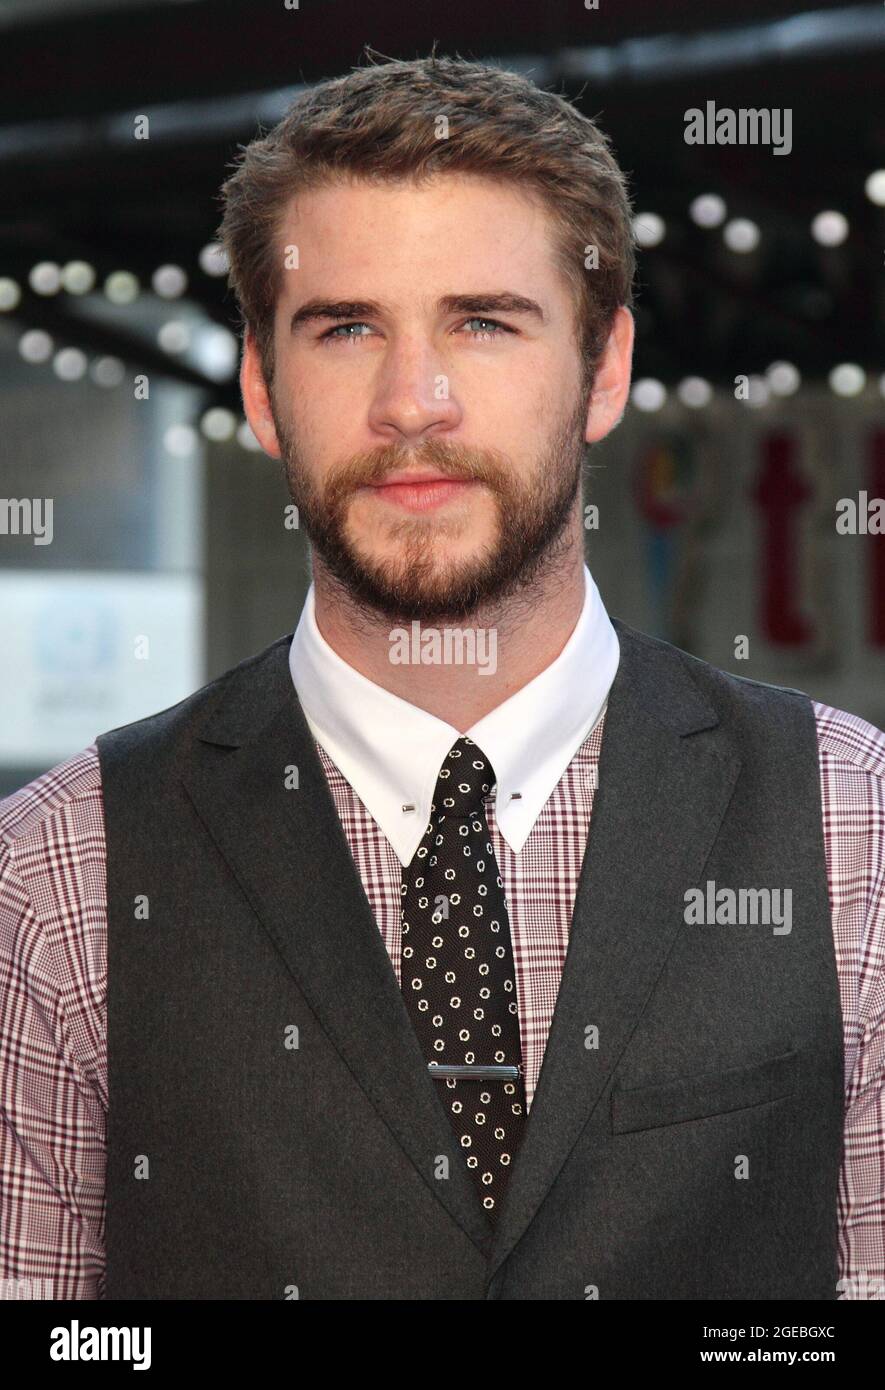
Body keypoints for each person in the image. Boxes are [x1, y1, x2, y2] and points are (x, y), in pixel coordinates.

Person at [1, 51, 883, 1301]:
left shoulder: (854, 828)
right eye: (346, 327)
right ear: (262, 385)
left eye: (483, 321)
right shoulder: (54, 873)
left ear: (606, 367)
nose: (413, 403)